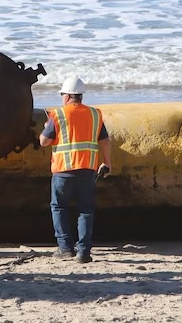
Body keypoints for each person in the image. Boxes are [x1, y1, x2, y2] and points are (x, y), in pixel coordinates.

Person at [39, 75, 111, 264]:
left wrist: (47, 127)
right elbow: (105, 141)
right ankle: (84, 252)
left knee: (59, 207)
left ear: (67, 96)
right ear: (81, 95)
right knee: (85, 209)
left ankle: (65, 248)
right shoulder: (95, 114)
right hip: (88, 170)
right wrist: (107, 163)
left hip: (63, 171)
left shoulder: (58, 114)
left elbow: (44, 142)